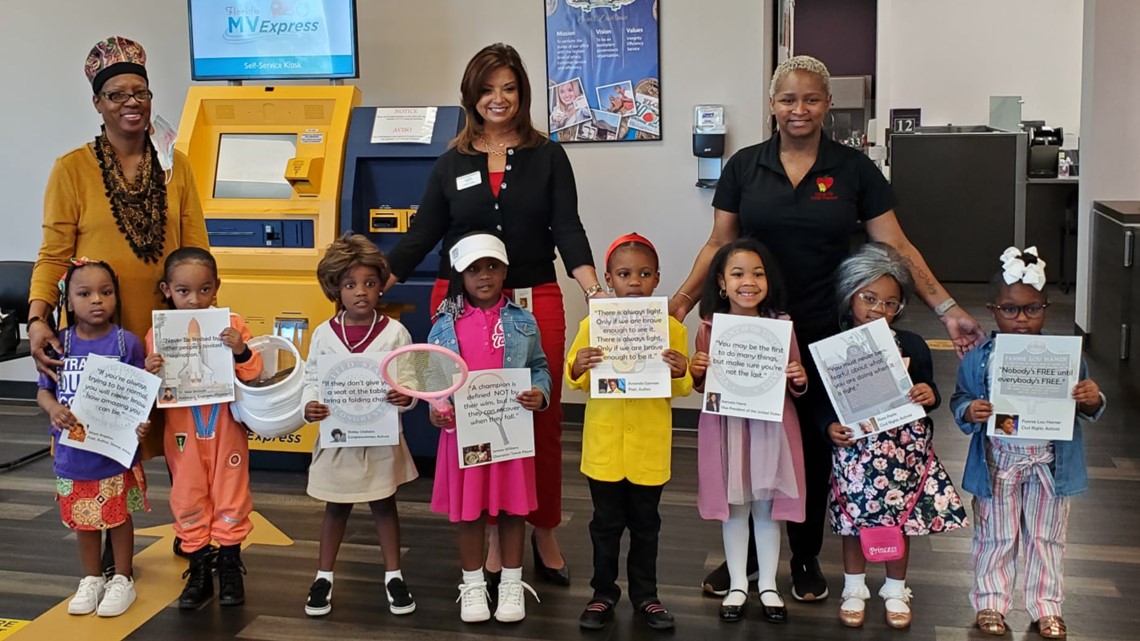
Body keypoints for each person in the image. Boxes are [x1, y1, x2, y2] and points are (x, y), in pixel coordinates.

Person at [670, 54, 984, 601]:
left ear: (827, 105)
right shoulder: (744, 166)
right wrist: (677, 305)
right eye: (788, 99)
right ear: (772, 105)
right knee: (744, 445)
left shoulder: (855, 170)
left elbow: (896, 246)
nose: (799, 109)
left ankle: (807, 556)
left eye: (811, 99)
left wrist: (947, 307)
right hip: (755, 332)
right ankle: (741, 562)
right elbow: (719, 245)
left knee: (814, 448)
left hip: (827, 331)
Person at [386, 42, 603, 587]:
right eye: (487, 89)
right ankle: (485, 535)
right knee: (469, 419)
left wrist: (595, 292)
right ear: (471, 96)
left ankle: (543, 528)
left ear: (522, 94)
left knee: (539, 415)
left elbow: (567, 229)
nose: (498, 99)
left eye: (508, 88)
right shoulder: (450, 162)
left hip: (532, 299)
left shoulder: (549, 155)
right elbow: (423, 235)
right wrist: (365, 284)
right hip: (459, 307)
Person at [28, 36, 209, 459]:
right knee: (102, 452)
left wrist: (211, 321)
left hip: (167, 336)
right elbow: (53, 254)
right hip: (100, 338)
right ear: (97, 102)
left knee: (185, 450)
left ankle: (192, 527)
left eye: (140, 93)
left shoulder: (175, 165)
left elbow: (197, 250)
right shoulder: (71, 169)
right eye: (116, 94)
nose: (132, 102)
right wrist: (37, 318)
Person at [951, 247, 1104, 640]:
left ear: (1046, 308)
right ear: (992, 309)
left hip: (1050, 464)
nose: (1021, 319)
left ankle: (1046, 606)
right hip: (997, 463)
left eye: (1032, 309)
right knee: (996, 535)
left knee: (1046, 537)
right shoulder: (978, 360)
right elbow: (959, 399)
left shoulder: (1064, 358)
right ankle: (991, 603)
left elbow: (1087, 403)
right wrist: (971, 411)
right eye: (1010, 309)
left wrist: (1091, 399)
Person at [826, 243, 968, 629]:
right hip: (856, 453)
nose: (879, 310)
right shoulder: (832, 349)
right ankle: (853, 588)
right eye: (869, 298)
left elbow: (929, 390)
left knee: (900, 520)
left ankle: (895, 588)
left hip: (903, 453)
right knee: (853, 521)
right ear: (850, 295)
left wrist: (929, 394)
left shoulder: (915, 345)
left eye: (890, 303)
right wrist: (829, 427)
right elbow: (825, 402)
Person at [567, 234, 692, 631]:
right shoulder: (593, 325)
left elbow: (683, 386)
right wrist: (579, 366)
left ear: (657, 279)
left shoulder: (672, 329)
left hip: (648, 449)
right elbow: (575, 378)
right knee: (603, 525)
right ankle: (603, 593)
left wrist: (681, 369)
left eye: (644, 274)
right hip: (604, 448)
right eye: (624, 274)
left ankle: (646, 596)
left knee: (646, 524)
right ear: (607, 279)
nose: (634, 282)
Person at [426, 233, 552, 624]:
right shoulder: (443, 326)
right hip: (466, 436)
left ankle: (512, 582)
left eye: (493, 267)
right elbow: (434, 380)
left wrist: (539, 393)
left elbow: (540, 368)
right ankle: (473, 584)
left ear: (505, 271)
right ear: (459, 275)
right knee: (470, 512)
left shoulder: (523, 321)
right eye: (474, 269)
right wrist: (438, 409)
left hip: (510, 434)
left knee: (514, 508)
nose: (484, 276)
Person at [300, 233, 420, 618]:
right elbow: (312, 379)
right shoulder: (322, 334)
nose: (361, 292)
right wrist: (310, 406)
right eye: (350, 284)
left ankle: (394, 574)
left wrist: (407, 397)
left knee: (384, 504)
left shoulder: (395, 333)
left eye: (370, 283)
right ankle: (323, 576)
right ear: (335, 287)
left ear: (381, 285)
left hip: (380, 440)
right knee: (336, 507)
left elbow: (409, 379)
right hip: (338, 439)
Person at [690, 239, 807, 623]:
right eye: (737, 273)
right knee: (735, 508)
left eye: (758, 273)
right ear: (722, 283)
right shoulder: (709, 327)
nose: (749, 281)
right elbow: (702, 385)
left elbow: (796, 380)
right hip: (728, 429)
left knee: (768, 508)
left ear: (768, 280)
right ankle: (739, 582)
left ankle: (769, 584)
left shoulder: (782, 326)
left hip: (771, 430)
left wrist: (798, 378)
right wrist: (698, 371)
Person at [144, 248, 263, 610]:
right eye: (184, 292)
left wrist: (241, 350)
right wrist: (149, 370)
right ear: (167, 290)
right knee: (187, 495)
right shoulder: (158, 333)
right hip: (184, 435)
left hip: (227, 429)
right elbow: (150, 391)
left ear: (217, 288)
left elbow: (255, 373)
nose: (195, 300)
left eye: (204, 290)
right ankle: (198, 567)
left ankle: (228, 564)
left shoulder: (233, 325)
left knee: (232, 494)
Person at [36, 259, 149, 618]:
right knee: (82, 517)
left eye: (106, 292)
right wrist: (53, 408)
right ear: (68, 301)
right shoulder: (58, 345)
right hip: (72, 452)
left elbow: (140, 394)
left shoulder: (127, 343)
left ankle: (123, 579)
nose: (96, 300)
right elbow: (43, 391)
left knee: (117, 516)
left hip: (113, 451)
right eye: (84, 294)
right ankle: (91, 577)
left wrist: (141, 424)